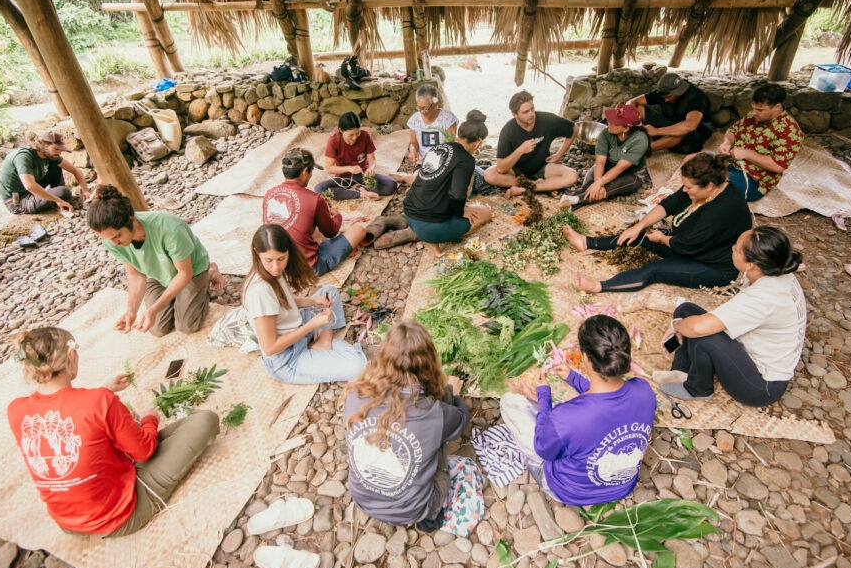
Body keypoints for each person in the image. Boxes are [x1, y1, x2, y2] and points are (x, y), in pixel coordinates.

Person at [7, 327, 219, 536]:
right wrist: (150, 419)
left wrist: (104, 391)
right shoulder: (99, 402)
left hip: (67, 522)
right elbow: (144, 451)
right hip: (119, 515)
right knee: (204, 420)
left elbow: (71, 414)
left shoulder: (15, 410)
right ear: (71, 355)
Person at [500, 315, 655, 506]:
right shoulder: (644, 390)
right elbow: (607, 399)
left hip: (571, 491)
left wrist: (543, 397)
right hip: (623, 486)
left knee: (510, 402)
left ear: (586, 358)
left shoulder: (566, 417)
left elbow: (543, 450)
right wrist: (573, 378)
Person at [344, 321, 470, 531]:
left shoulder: (355, 394)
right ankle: (429, 518)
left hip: (364, 500)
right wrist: (453, 394)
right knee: (439, 430)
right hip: (414, 509)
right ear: (429, 364)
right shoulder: (432, 413)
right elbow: (462, 420)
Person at [660, 226, 806, 405]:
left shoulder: (764, 297)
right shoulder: (772, 270)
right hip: (754, 353)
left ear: (751, 264)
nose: (732, 249)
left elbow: (697, 328)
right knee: (685, 311)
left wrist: (676, 326)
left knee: (702, 335)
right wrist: (682, 323)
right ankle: (682, 371)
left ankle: (698, 388)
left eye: (736, 248)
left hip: (762, 385)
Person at [566, 153, 751, 293]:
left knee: (655, 270)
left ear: (709, 186)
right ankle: (586, 242)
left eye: (689, 187)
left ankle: (598, 286)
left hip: (714, 266)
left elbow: (687, 245)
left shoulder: (722, 210)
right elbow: (670, 204)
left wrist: (662, 238)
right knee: (640, 236)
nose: (684, 190)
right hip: (691, 243)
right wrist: (639, 226)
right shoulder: (704, 187)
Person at [88, 185, 218, 337]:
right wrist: (131, 311)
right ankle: (177, 296)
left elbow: (184, 273)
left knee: (186, 325)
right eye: (108, 239)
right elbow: (135, 275)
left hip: (191, 271)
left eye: (117, 236)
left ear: (131, 220)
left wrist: (154, 308)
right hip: (158, 274)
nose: (114, 243)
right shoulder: (111, 240)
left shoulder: (169, 228)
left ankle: (208, 273)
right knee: (158, 329)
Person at [244, 224, 365, 384]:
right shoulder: (259, 291)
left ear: (288, 251)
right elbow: (270, 348)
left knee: (329, 292)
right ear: (256, 252)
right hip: (288, 357)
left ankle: (324, 342)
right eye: (269, 260)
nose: (276, 266)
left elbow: (282, 301)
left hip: (297, 328)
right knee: (358, 366)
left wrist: (312, 301)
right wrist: (311, 325)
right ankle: (326, 343)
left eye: (281, 259)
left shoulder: (271, 272)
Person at [264, 147, 366, 276]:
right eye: (311, 170)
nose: (311, 175)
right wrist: (337, 215)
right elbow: (330, 232)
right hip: (308, 267)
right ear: (305, 171)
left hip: (278, 265)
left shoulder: (269, 195)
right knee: (359, 231)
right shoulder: (314, 199)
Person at [402, 110, 493, 252]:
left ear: (459, 135)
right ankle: (435, 238)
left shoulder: (437, 147)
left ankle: (430, 240)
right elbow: (456, 195)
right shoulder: (466, 160)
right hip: (430, 227)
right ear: (478, 143)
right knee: (485, 213)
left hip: (408, 214)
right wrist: (461, 211)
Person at [484, 90, 579, 195]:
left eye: (532, 109)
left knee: (572, 175)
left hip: (543, 167)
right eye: (526, 112)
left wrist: (559, 155)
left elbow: (574, 128)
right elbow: (501, 168)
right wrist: (521, 150)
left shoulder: (547, 120)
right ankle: (542, 185)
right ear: (514, 114)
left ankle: (526, 189)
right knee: (489, 175)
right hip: (515, 171)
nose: (531, 114)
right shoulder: (508, 130)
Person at [720, 83, 805, 201]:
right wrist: (727, 142)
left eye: (760, 109)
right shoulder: (754, 115)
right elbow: (733, 130)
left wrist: (747, 154)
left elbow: (778, 166)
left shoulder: (789, 130)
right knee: (697, 162)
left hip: (753, 180)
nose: (754, 112)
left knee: (713, 182)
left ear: (777, 107)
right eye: (753, 108)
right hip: (730, 164)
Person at [561, 103, 649, 209]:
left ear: (625, 129)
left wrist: (600, 183)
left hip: (630, 175)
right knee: (589, 184)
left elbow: (619, 168)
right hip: (606, 168)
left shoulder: (640, 140)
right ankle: (573, 201)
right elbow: (600, 162)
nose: (609, 122)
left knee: (611, 187)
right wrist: (598, 183)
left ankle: (575, 199)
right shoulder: (605, 133)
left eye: (614, 122)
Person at [0, 130, 91, 214]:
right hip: (18, 202)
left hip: (30, 192)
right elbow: (30, 186)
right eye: (56, 149)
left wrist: (85, 190)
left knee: (56, 165)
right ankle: (59, 200)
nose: (59, 153)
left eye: (61, 150)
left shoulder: (50, 154)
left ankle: (59, 199)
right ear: (43, 145)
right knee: (64, 191)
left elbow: (75, 170)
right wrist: (58, 200)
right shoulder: (24, 156)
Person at [315, 112, 399, 200]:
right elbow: (328, 168)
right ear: (341, 130)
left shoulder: (365, 136)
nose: (355, 137)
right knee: (320, 189)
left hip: (363, 175)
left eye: (357, 133)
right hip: (344, 177)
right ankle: (359, 194)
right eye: (351, 135)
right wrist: (349, 168)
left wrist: (371, 168)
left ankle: (357, 188)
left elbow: (372, 160)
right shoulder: (334, 140)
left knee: (391, 185)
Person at [627, 73, 710, 153]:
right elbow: (633, 101)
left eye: (668, 97)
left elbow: (690, 126)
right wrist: (632, 119)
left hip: (692, 137)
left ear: (679, 91)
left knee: (681, 131)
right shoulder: (664, 92)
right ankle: (648, 140)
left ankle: (645, 150)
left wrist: (657, 131)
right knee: (638, 108)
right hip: (670, 125)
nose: (666, 100)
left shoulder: (696, 98)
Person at [407, 83, 458, 166]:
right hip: (422, 164)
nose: (422, 112)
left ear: (435, 103)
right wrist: (413, 151)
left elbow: (450, 147)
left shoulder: (448, 119)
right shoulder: (415, 120)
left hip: (444, 164)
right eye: (419, 107)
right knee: (417, 174)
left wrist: (433, 158)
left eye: (425, 108)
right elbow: (413, 143)